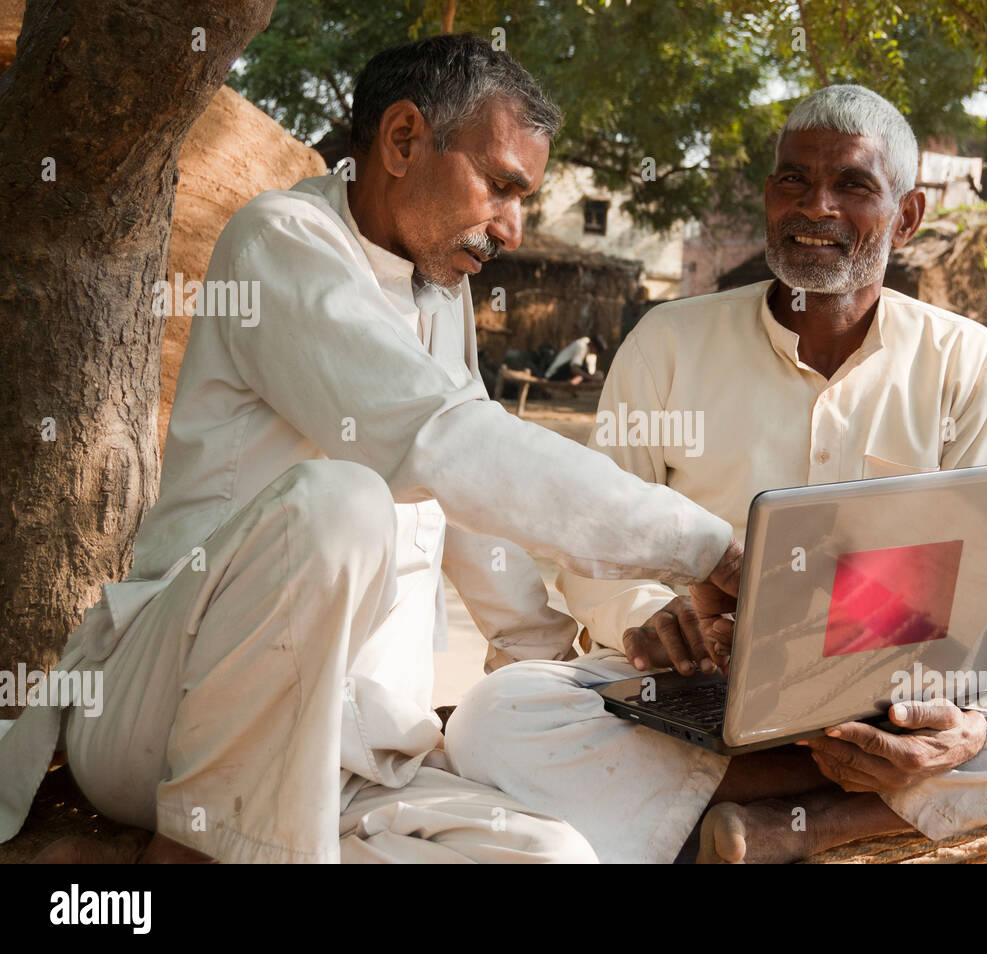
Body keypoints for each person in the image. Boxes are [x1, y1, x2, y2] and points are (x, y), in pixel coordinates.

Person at [445, 84, 987, 864]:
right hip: (702, 688)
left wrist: (967, 716)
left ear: (908, 214)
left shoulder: (966, 361)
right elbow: (594, 552)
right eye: (794, 179)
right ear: (767, 197)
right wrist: (652, 616)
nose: (815, 206)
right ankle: (858, 793)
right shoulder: (668, 342)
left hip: (901, 690)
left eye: (852, 185)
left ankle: (812, 823)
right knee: (494, 716)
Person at [0, 34, 742, 864]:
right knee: (340, 503)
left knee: (552, 855)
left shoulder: (439, 295)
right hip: (167, 724)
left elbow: (469, 502)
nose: (514, 225)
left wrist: (555, 660)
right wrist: (707, 548)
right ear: (400, 140)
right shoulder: (280, 240)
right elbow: (443, 444)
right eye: (499, 186)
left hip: (348, 760)